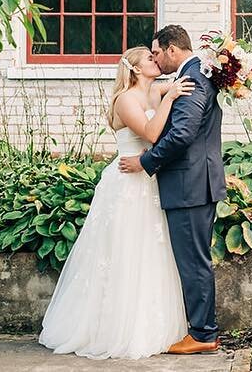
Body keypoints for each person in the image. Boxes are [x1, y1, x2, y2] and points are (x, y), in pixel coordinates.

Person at [37, 44, 195, 359]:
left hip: (148, 180)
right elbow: (151, 133)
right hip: (126, 184)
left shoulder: (155, 91)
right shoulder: (126, 100)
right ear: (135, 69)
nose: (157, 60)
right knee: (123, 250)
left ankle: (152, 324)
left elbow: (180, 80)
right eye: (151, 58)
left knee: (151, 252)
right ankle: (112, 328)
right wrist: (171, 97)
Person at [119, 24, 226, 355]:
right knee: (193, 258)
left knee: (193, 261)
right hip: (194, 182)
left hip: (190, 184)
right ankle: (200, 330)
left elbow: (181, 135)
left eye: (157, 53)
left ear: (172, 50)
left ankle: (203, 334)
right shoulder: (193, 72)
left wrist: (146, 162)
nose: (155, 59)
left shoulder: (192, 78)